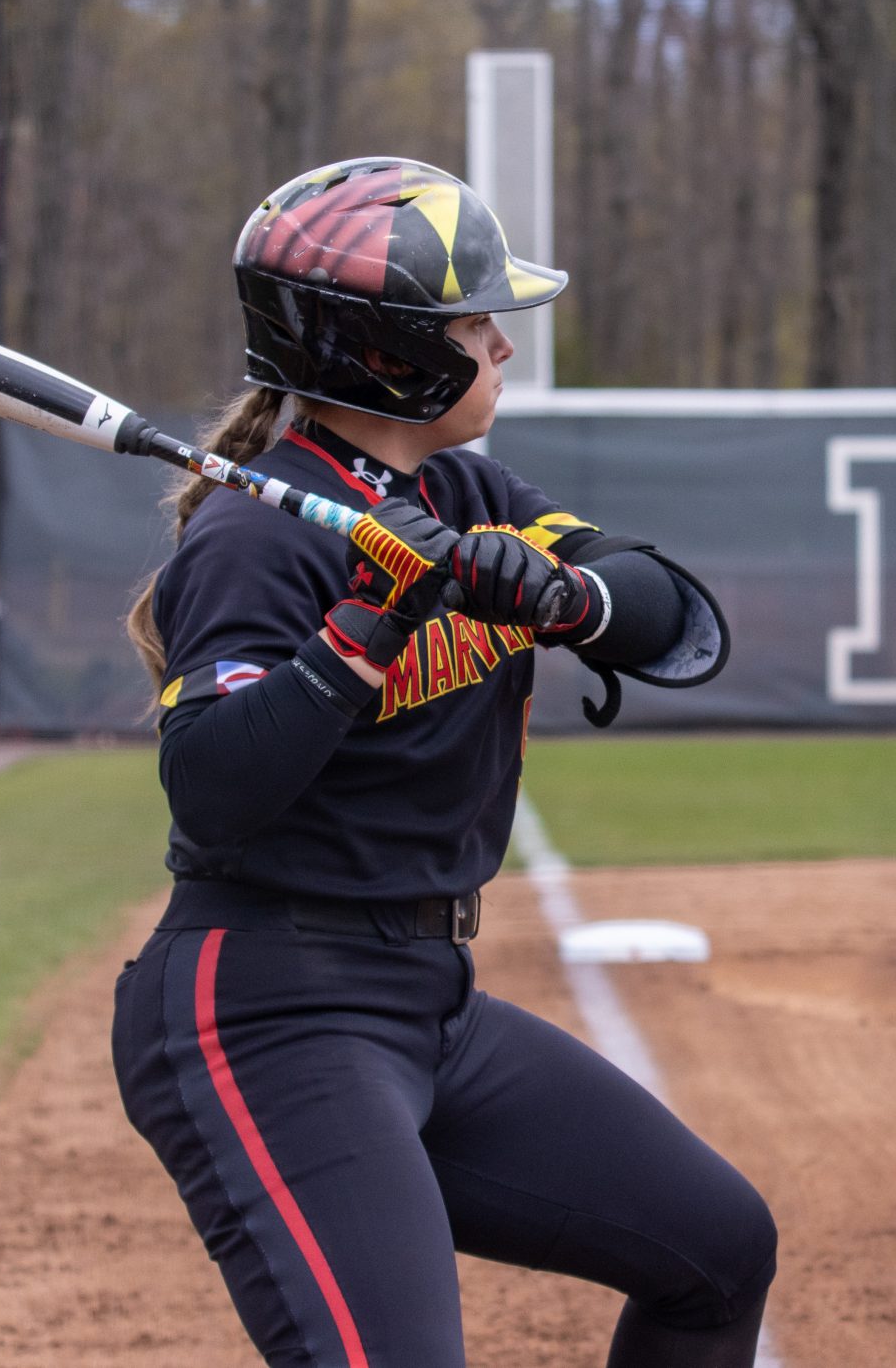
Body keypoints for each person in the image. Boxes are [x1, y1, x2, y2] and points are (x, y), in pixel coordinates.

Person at [115, 157, 773, 1368]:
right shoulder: (255, 540)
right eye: (475, 325)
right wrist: (367, 624)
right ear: (392, 353)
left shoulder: (465, 490)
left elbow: (676, 621)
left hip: (424, 999)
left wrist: (563, 591)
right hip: (265, 1008)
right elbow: (209, 791)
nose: (500, 348)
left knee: (717, 1253)